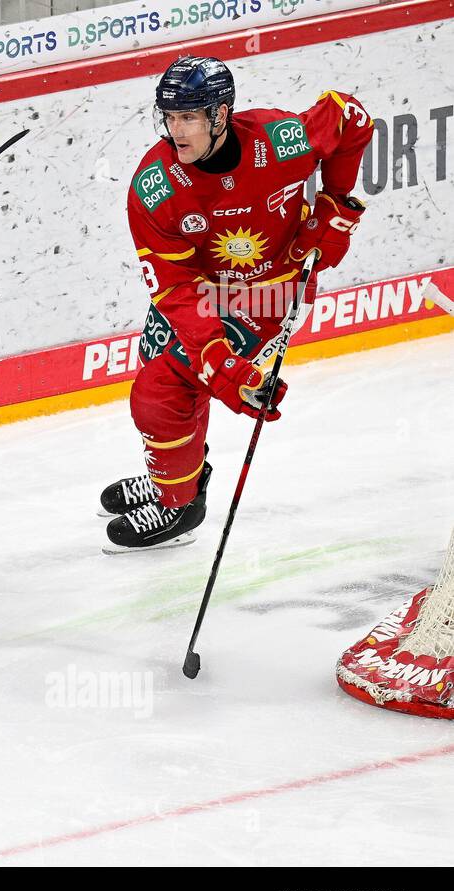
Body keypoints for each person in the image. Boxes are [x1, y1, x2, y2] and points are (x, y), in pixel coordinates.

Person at [100, 55, 372, 552]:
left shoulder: (279, 142)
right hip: (196, 294)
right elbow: (175, 287)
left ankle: (179, 504)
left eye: (189, 117)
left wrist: (336, 203)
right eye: (169, 116)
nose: (175, 130)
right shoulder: (155, 187)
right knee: (165, 374)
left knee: (162, 392)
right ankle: (181, 475)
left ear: (221, 115)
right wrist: (221, 365)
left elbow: (349, 118)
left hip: (269, 296)